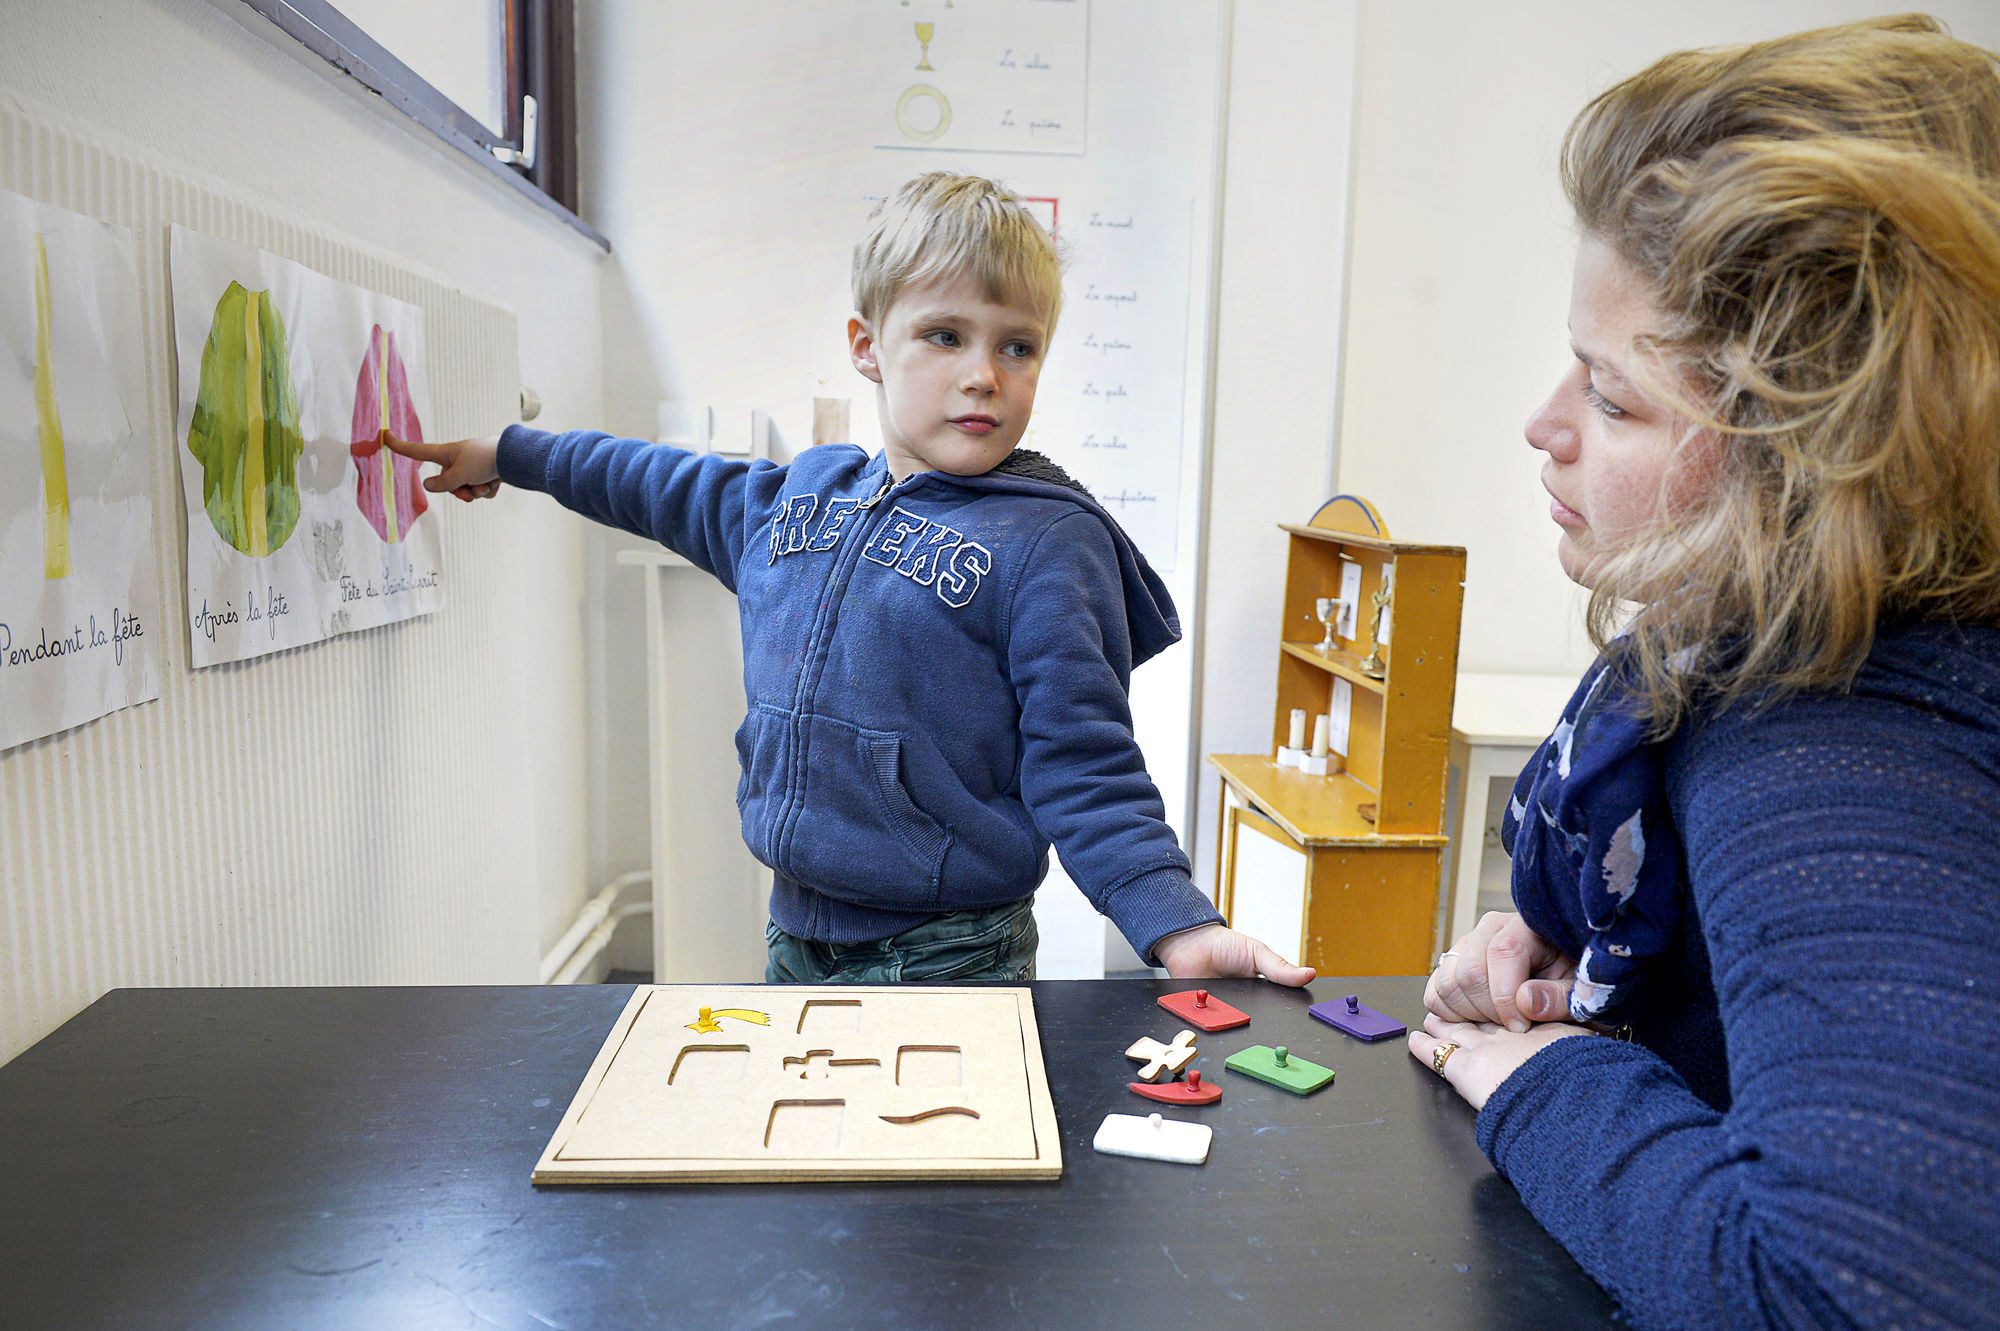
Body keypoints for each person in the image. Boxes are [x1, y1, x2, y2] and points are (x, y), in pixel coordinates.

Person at [1409, 15, 2000, 1328]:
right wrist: (1585, 967)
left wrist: (1545, 1073)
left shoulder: (1834, 742)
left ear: (1821, 463)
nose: (1545, 425)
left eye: (1616, 400)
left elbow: (1850, 1292)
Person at [392, 172, 1313, 988]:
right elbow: (646, 477)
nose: (984, 375)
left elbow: (1085, 759)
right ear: (867, 344)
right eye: (945, 336)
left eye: (1017, 347)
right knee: (816, 1170)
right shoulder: (795, 500)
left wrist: (1177, 919)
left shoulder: (1046, 544)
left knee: (941, 1183)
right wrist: (509, 453)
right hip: (795, 928)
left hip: (952, 952)